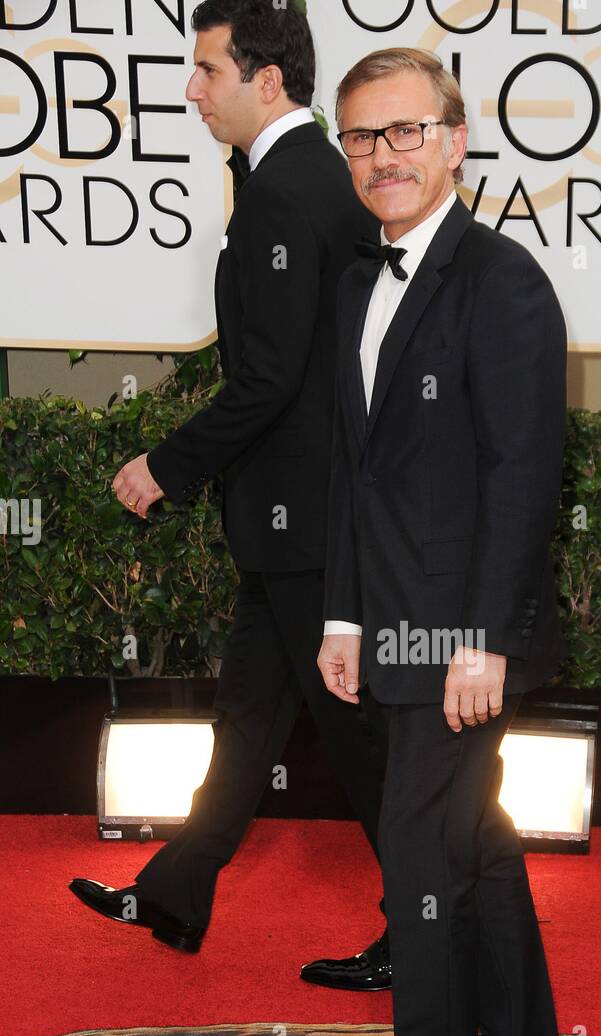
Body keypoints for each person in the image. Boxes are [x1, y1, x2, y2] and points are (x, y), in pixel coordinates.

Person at [69, 0, 388, 957]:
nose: (191, 90)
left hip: (307, 522)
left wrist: (165, 466)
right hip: (288, 520)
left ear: (268, 80)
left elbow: (270, 375)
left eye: (208, 70)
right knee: (248, 719)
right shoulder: (295, 178)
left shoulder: (290, 190)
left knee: (362, 746)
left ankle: (431, 928)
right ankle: (177, 892)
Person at [310, 48, 569, 1036]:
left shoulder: (501, 279)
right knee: (476, 850)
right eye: (361, 139)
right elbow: (358, 475)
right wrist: (343, 611)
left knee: (419, 862)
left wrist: (483, 637)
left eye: (404, 133)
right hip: (395, 626)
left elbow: (524, 476)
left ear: (455, 141)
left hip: (461, 642)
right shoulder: (359, 281)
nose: (382, 157)